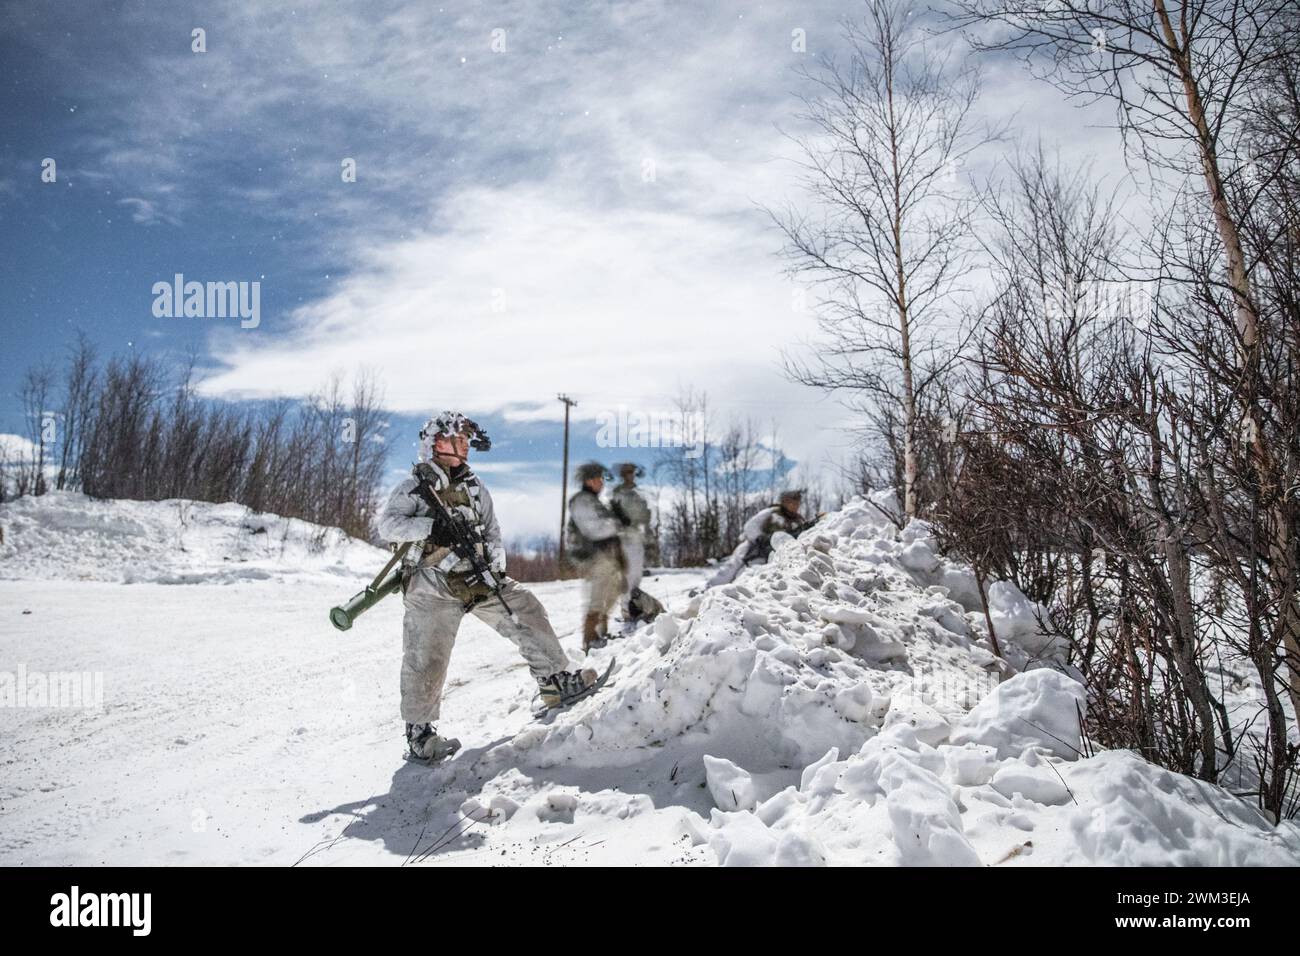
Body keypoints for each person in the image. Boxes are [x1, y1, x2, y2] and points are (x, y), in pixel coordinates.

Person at [378, 412, 596, 762]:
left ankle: (555, 681)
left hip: (478, 577)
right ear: (434, 443)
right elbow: (388, 526)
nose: (463, 447)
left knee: (527, 609)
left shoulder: (476, 488)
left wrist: (494, 565)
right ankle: (420, 732)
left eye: (466, 441)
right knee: (426, 657)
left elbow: (493, 532)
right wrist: (431, 527)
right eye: (455, 441)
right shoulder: (413, 487)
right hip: (432, 585)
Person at [565, 461, 626, 652]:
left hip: (603, 554)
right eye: (599, 479)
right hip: (591, 555)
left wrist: (616, 518)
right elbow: (594, 529)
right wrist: (617, 523)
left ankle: (601, 631)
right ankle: (591, 640)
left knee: (613, 590)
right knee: (598, 594)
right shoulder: (581, 500)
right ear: (589, 481)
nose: (602, 483)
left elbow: (606, 524)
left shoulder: (593, 501)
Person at [706, 490, 812, 588]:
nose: (795, 506)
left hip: (773, 554)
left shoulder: (799, 520)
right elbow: (750, 526)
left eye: (797, 503)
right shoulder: (771, 512)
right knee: (730, 568)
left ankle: (733, 592)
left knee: (749, 575)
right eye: (792, 502)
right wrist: (760, 538)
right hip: (753, 546)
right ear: (784, 502)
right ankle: (709, 588)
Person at [609, 462, 663, 624]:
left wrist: (644, 516)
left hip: (637, 538)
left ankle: (634, 607)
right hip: (624, 538)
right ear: (623, 475)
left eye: (632, 473)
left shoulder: (638, 494)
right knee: (627, 575)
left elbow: (645, 516)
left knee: (637, 574)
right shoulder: (618, 494)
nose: (630, 475)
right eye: (627, 473)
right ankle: (626, 609)